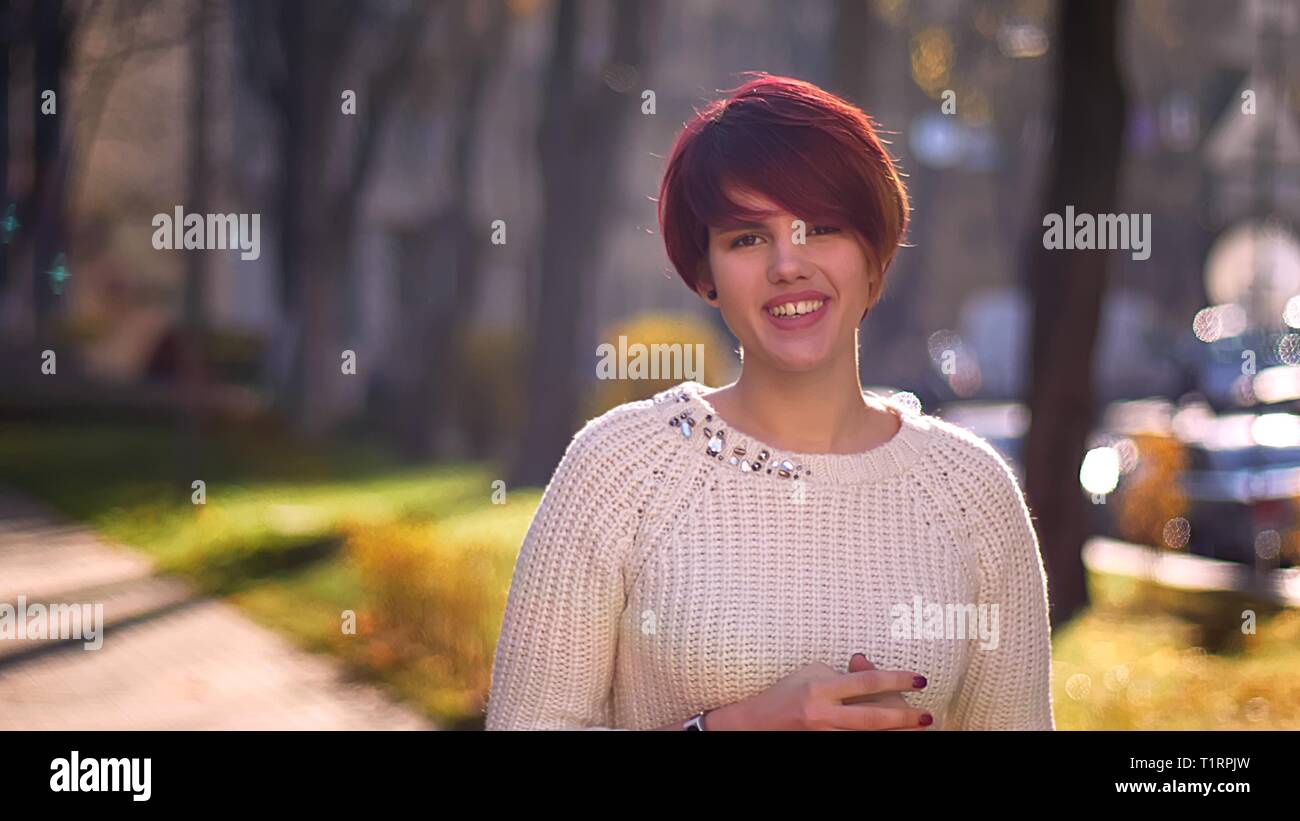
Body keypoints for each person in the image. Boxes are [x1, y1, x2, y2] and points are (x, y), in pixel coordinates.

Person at [485, 72, 1054, 731]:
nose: (788, 263)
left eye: (823, 227)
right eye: (747, 238)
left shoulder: (972, 491)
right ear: (706, 276)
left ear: (876, 255)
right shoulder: (618, 470)